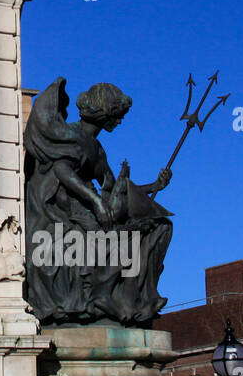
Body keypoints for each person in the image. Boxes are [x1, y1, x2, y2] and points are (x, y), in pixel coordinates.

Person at [23, 78, 174, 327]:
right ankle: (102, 298)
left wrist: (153, 187)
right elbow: (63, 172)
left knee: (158, 226)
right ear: (107, 113)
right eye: (119, 114)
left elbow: (115, 189)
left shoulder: (97, 149)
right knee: (105, 240)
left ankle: (134, 300)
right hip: (58, 215)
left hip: (86, 212)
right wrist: (95, 201)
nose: (120, 120)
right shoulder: (70, 135)